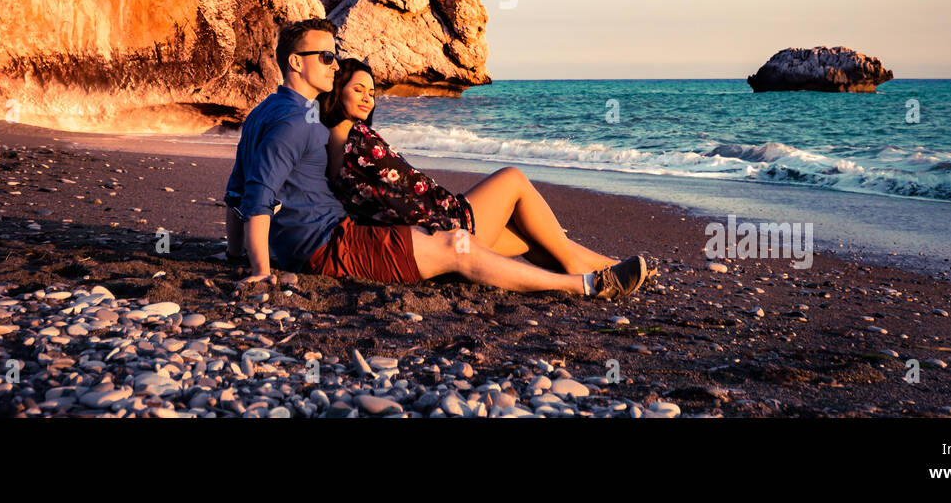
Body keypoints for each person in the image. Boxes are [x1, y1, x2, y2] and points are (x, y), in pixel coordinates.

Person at [222, 19, 650, 298]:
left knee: (513, 236)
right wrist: (260, 269)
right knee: (461, 244)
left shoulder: (265, 112)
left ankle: (609, 270)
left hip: (322, 239)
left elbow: (235, 190)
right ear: (296, 63)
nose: (335, 65)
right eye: (327, 57)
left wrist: (237, 252)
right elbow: (257, 195)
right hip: (327, 244)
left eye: (337, 57)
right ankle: (583, 284)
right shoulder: (299, 122)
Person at [319, 57, 627, 277]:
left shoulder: (329, 141)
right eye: (358, 89)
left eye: (372, 93)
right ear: (338, 89)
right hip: (443, 223)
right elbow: (403, 191)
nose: (368, 99)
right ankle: (577, 269)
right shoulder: (357, 137)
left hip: (424, 229)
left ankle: (611, 266)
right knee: (513, 178)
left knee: (530, 236)